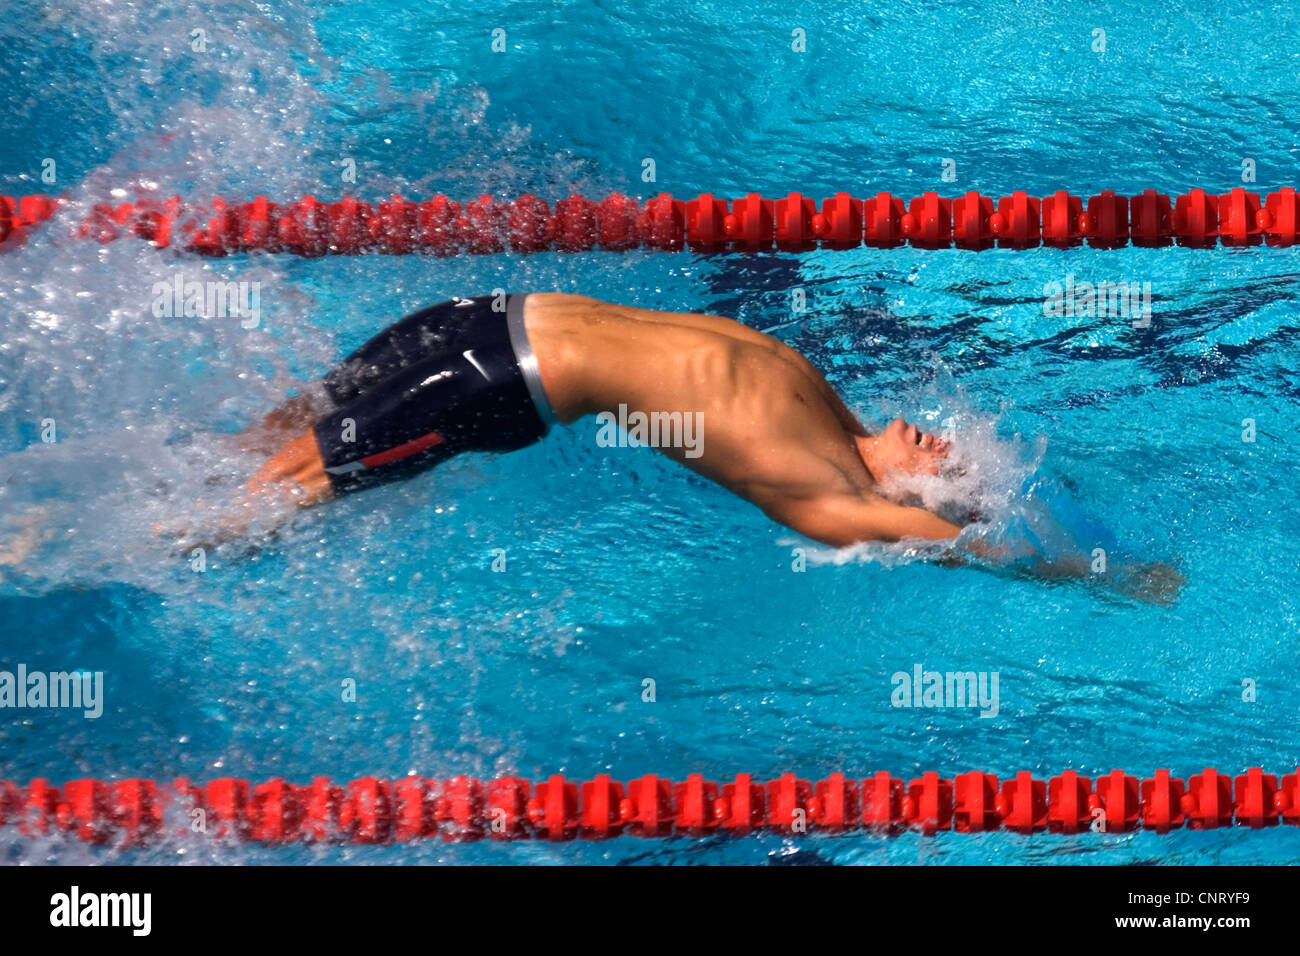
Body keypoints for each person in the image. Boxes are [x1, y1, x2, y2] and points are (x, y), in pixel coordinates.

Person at [223, 292, 969, 549]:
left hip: (503, 381)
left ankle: (157, 547)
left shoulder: (827, 495)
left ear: (912, 501)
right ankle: (189, 471)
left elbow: (977, 547)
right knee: (282, 428)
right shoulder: (836, 415)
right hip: (489, 317)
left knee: (287, 482)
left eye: (948, 466)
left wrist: (1079, 572)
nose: (946, 444)